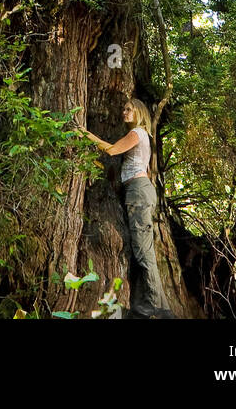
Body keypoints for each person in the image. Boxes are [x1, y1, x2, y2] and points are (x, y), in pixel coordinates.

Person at [83, 98, 173, 318]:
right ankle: (144, 308)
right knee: (140, 251)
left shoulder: (138, 133)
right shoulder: (143, 136)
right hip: (140, 191)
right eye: (123, 108)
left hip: (139, 191)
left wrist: (84, 134)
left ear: (139, 112)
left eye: (128, 109)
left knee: (143, 251)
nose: (124, 112)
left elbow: (112, 150)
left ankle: (159, 310)